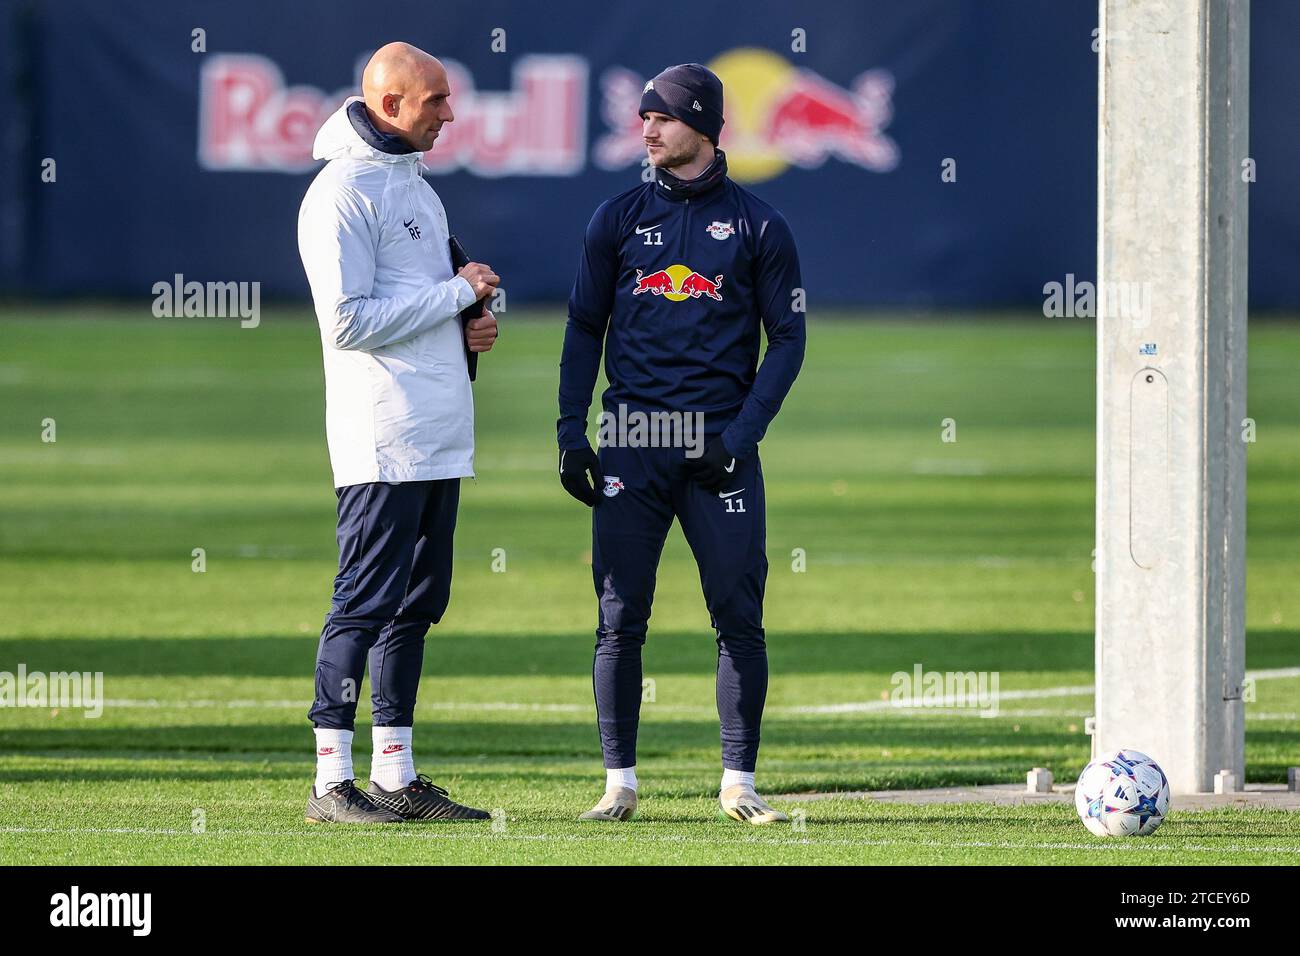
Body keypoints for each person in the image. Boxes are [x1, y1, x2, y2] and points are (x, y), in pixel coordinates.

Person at [557, 63, 806, 824]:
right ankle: (619, 784)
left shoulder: (760, 226)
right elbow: (583, 329)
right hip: (631, 443)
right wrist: (571, 432)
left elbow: (789, 340)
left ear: (702, 123)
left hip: (717, 451)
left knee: (738, 616)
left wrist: (738, 438)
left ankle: (739, 783)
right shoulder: (616, 218)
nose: (648, 129)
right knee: (618, 616)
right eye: (643, 117)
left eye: (661, 117)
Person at [297, 41, 498, 824]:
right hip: (380, 438)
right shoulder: (341, 192)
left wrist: (473, 319)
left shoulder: (414, 182)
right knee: (363, 604)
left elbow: (438, 298)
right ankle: (328, 784)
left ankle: (395, 774)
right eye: (435, 100)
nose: (451, 114)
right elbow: (347, 323)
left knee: (417, 606)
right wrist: (454, 296)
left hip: (438, 434)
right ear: (388, 105)